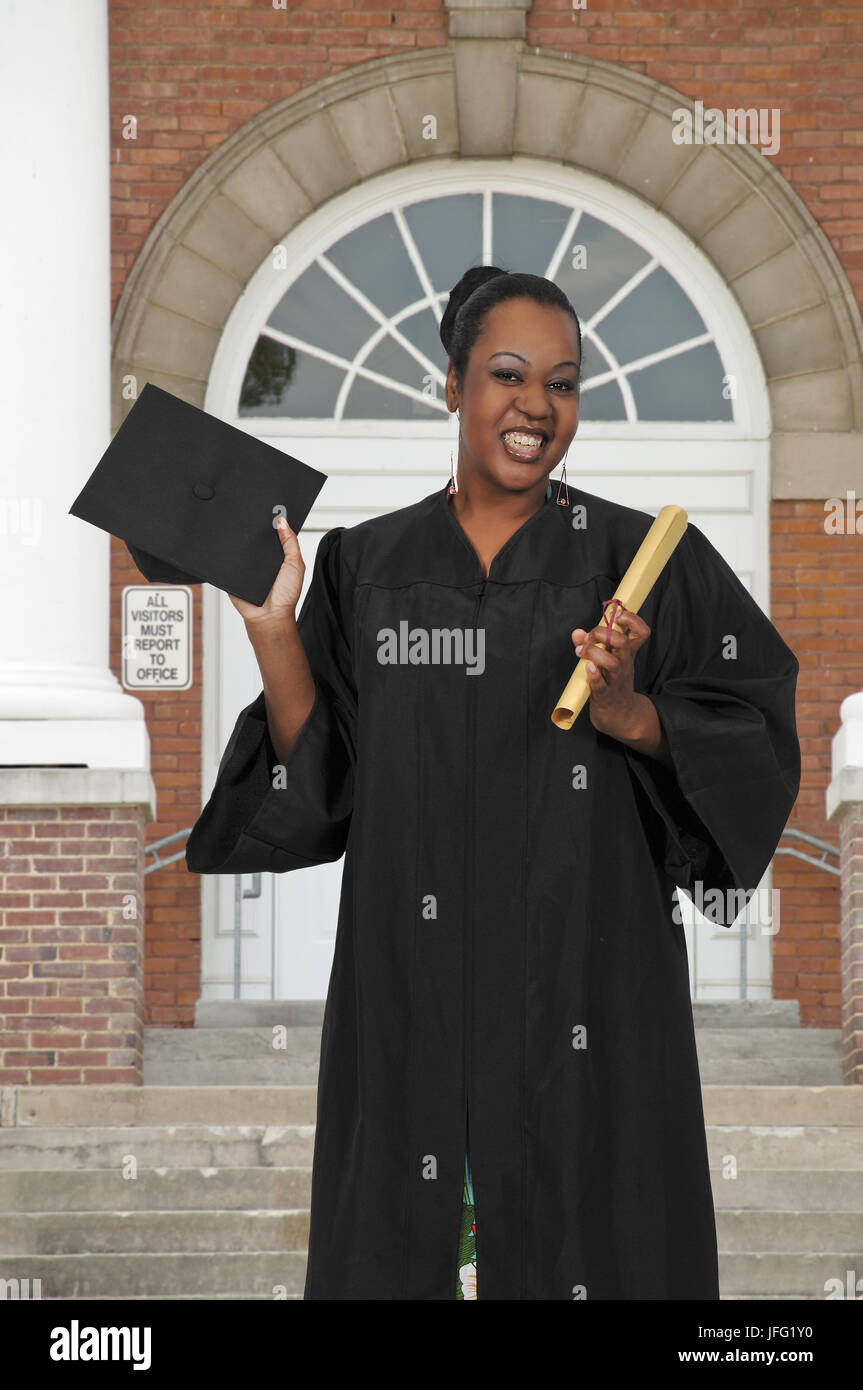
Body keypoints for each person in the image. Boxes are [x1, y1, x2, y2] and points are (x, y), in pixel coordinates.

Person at [185, 265, 801, 1300]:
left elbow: (753, 733)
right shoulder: (366, 566)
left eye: (563, 384)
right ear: (449, 387)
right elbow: (325, 783)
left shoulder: (640, 559)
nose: (535, 406)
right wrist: (273, 632)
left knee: (596, 1241)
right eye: (506, 374)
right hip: (412, 988)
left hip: (586, 986)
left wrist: (626, 712)